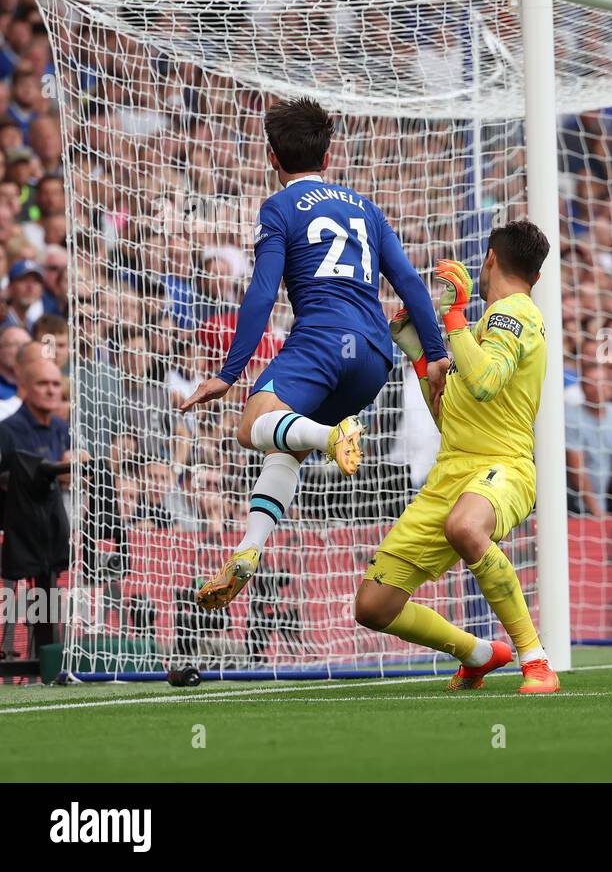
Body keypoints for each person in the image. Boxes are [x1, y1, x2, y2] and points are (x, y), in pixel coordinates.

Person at [179, 97, 448, 610]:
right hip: (372, 357)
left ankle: (332, 436)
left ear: (271, 158)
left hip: (323, 340)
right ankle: (248, 551)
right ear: (328, 157)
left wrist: (229, 374)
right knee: (287, 446)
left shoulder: (278, 208)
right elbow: (410, 281)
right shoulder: (366, 207)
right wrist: (433, 352)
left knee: (250, 424)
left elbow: (261, 293)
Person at [354, 219, 560, 694]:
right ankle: (479, 653)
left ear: (489, 259)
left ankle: (536, 661)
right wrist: (420, 356)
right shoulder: (483, 331)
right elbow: (451, 416)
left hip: (503, 467)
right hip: (450, 473)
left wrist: (454, 315)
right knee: (373, 606)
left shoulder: (515, 314)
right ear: (538, 273)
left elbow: (486, 383)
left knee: (466, 527)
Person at [0, 349, 71, 659]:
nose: (51, 390)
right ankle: (14, 656)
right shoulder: (7, 430)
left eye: (56, 384)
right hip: (18, 533)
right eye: (43, 384)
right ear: (26, 388)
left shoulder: (60, 428)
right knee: (20, 608)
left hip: (52, 529)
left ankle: (47, 659)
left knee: (49, 606)